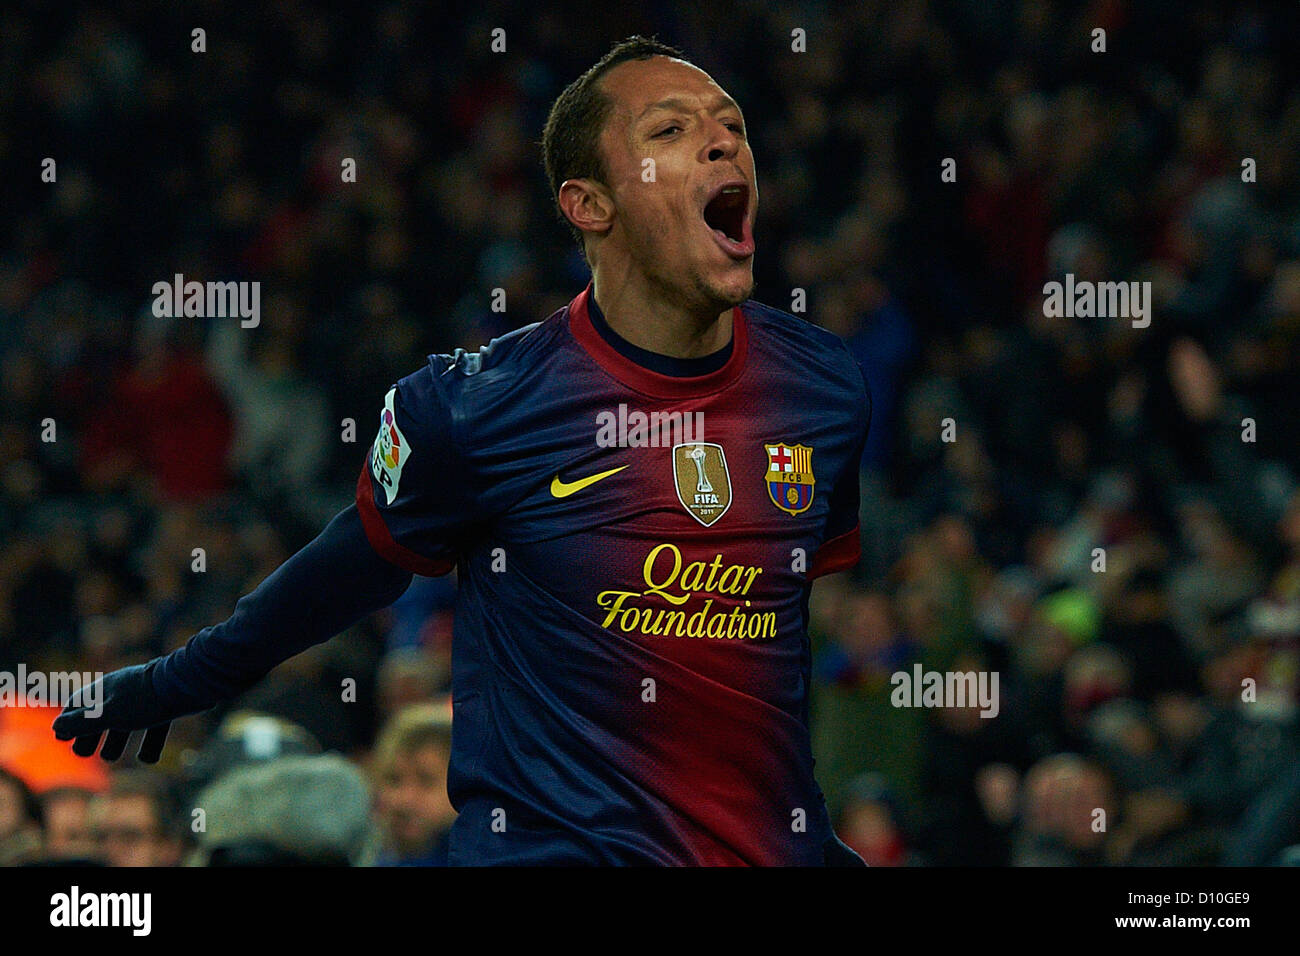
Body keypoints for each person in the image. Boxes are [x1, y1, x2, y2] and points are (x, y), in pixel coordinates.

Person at [54, 35, 872, 866]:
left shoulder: (824, 388)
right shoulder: (475, 405)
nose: (722, 139)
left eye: (730, 124)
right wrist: (178, 682)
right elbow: (353, 566)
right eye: (669, 131)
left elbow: (779, 653)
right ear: (589, 205)